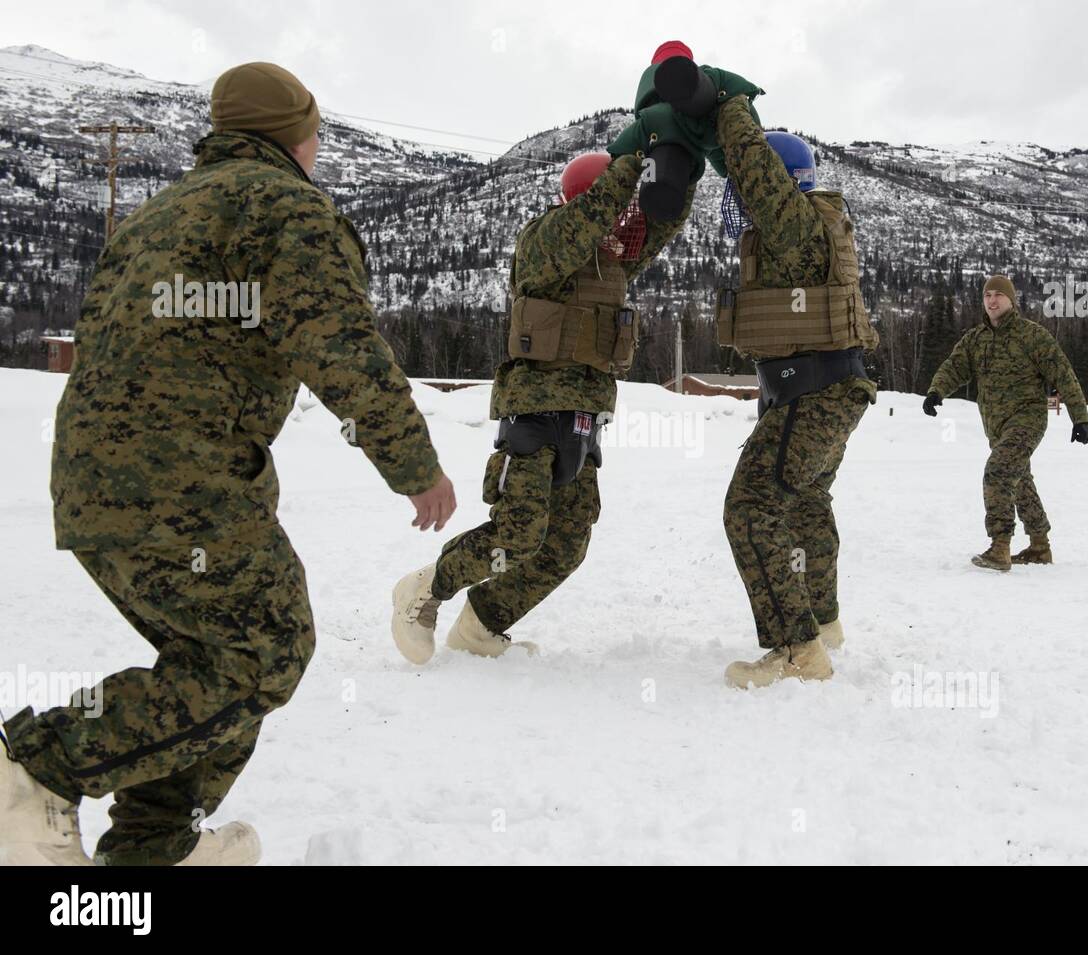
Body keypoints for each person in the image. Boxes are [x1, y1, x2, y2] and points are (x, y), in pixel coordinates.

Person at [0, 61, 454, 866]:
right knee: (263, 647)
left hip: (94, 482)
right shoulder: (287, 208)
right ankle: (41, 763)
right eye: (316, 135)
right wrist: (415, 465)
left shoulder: (157, 215)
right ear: (298, 137)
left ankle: (150, 848)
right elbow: (340, 346)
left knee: (216, 656)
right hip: (175, 477)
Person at [390, 147, 692, 661]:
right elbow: (586, 221)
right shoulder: (545, 242)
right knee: (520, 531)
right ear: (586, 203)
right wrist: (625, 170)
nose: (620, 225)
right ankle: (425, 589)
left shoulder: (609, 260)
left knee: (567, 543)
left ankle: (482, 624)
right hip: (533, 414)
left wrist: (679, 177)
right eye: (613, 212)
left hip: (584, 421)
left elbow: (655, 228)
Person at [708, 89, 879, 689]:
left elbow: (754, 169)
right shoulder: (811, 228)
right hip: (825, 389)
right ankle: (822, 622)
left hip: (816, 391)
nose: (742, 201)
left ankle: (796, 649)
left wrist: (728, 106)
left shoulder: (796, 222)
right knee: (804, 502)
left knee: (750, 506)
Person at [923, 274, 1088, 571]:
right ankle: (1040, 546)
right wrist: (936, 391)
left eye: (999, 295)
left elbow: (1062, 372)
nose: (992, 300)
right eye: (988, 296)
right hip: (996, 427)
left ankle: (1000, 546)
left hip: (1028, 420)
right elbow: (954, 367)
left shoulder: (1031, 335)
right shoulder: (976, 339)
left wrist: (1080, 418)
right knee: (1020, 480)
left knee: (998, 471)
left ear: (1011, 300)